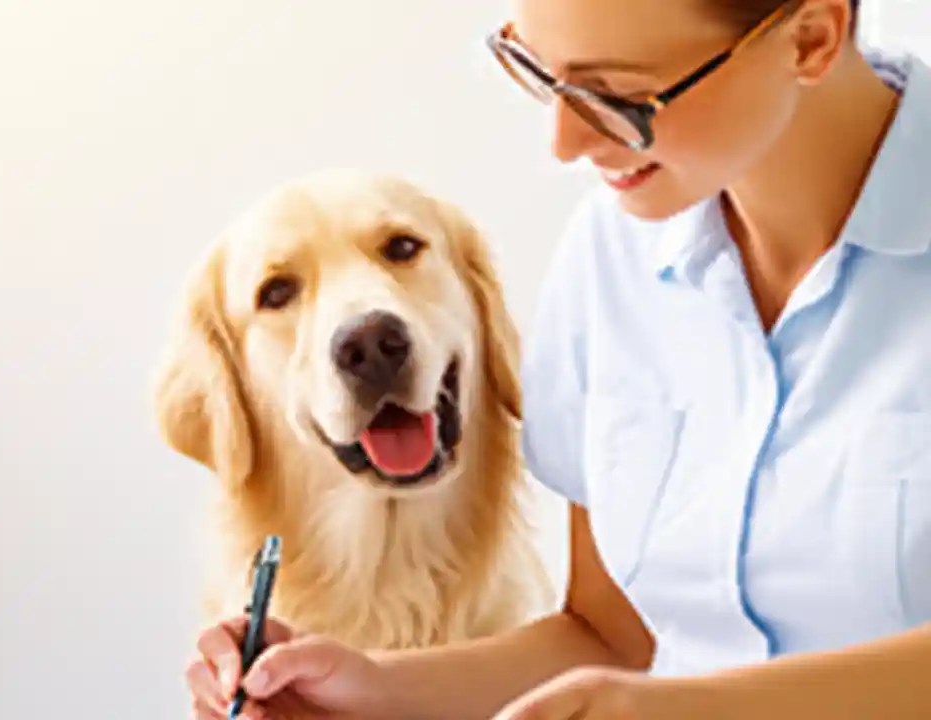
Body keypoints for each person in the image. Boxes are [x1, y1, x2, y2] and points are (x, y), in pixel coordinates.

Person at [185, 0, 931, 717]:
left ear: (809, 40)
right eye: (540, 72)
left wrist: (694, 710)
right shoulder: (615, 248)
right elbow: (610, 637)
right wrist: (369, 688)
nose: (565, 143)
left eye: (619, 93)